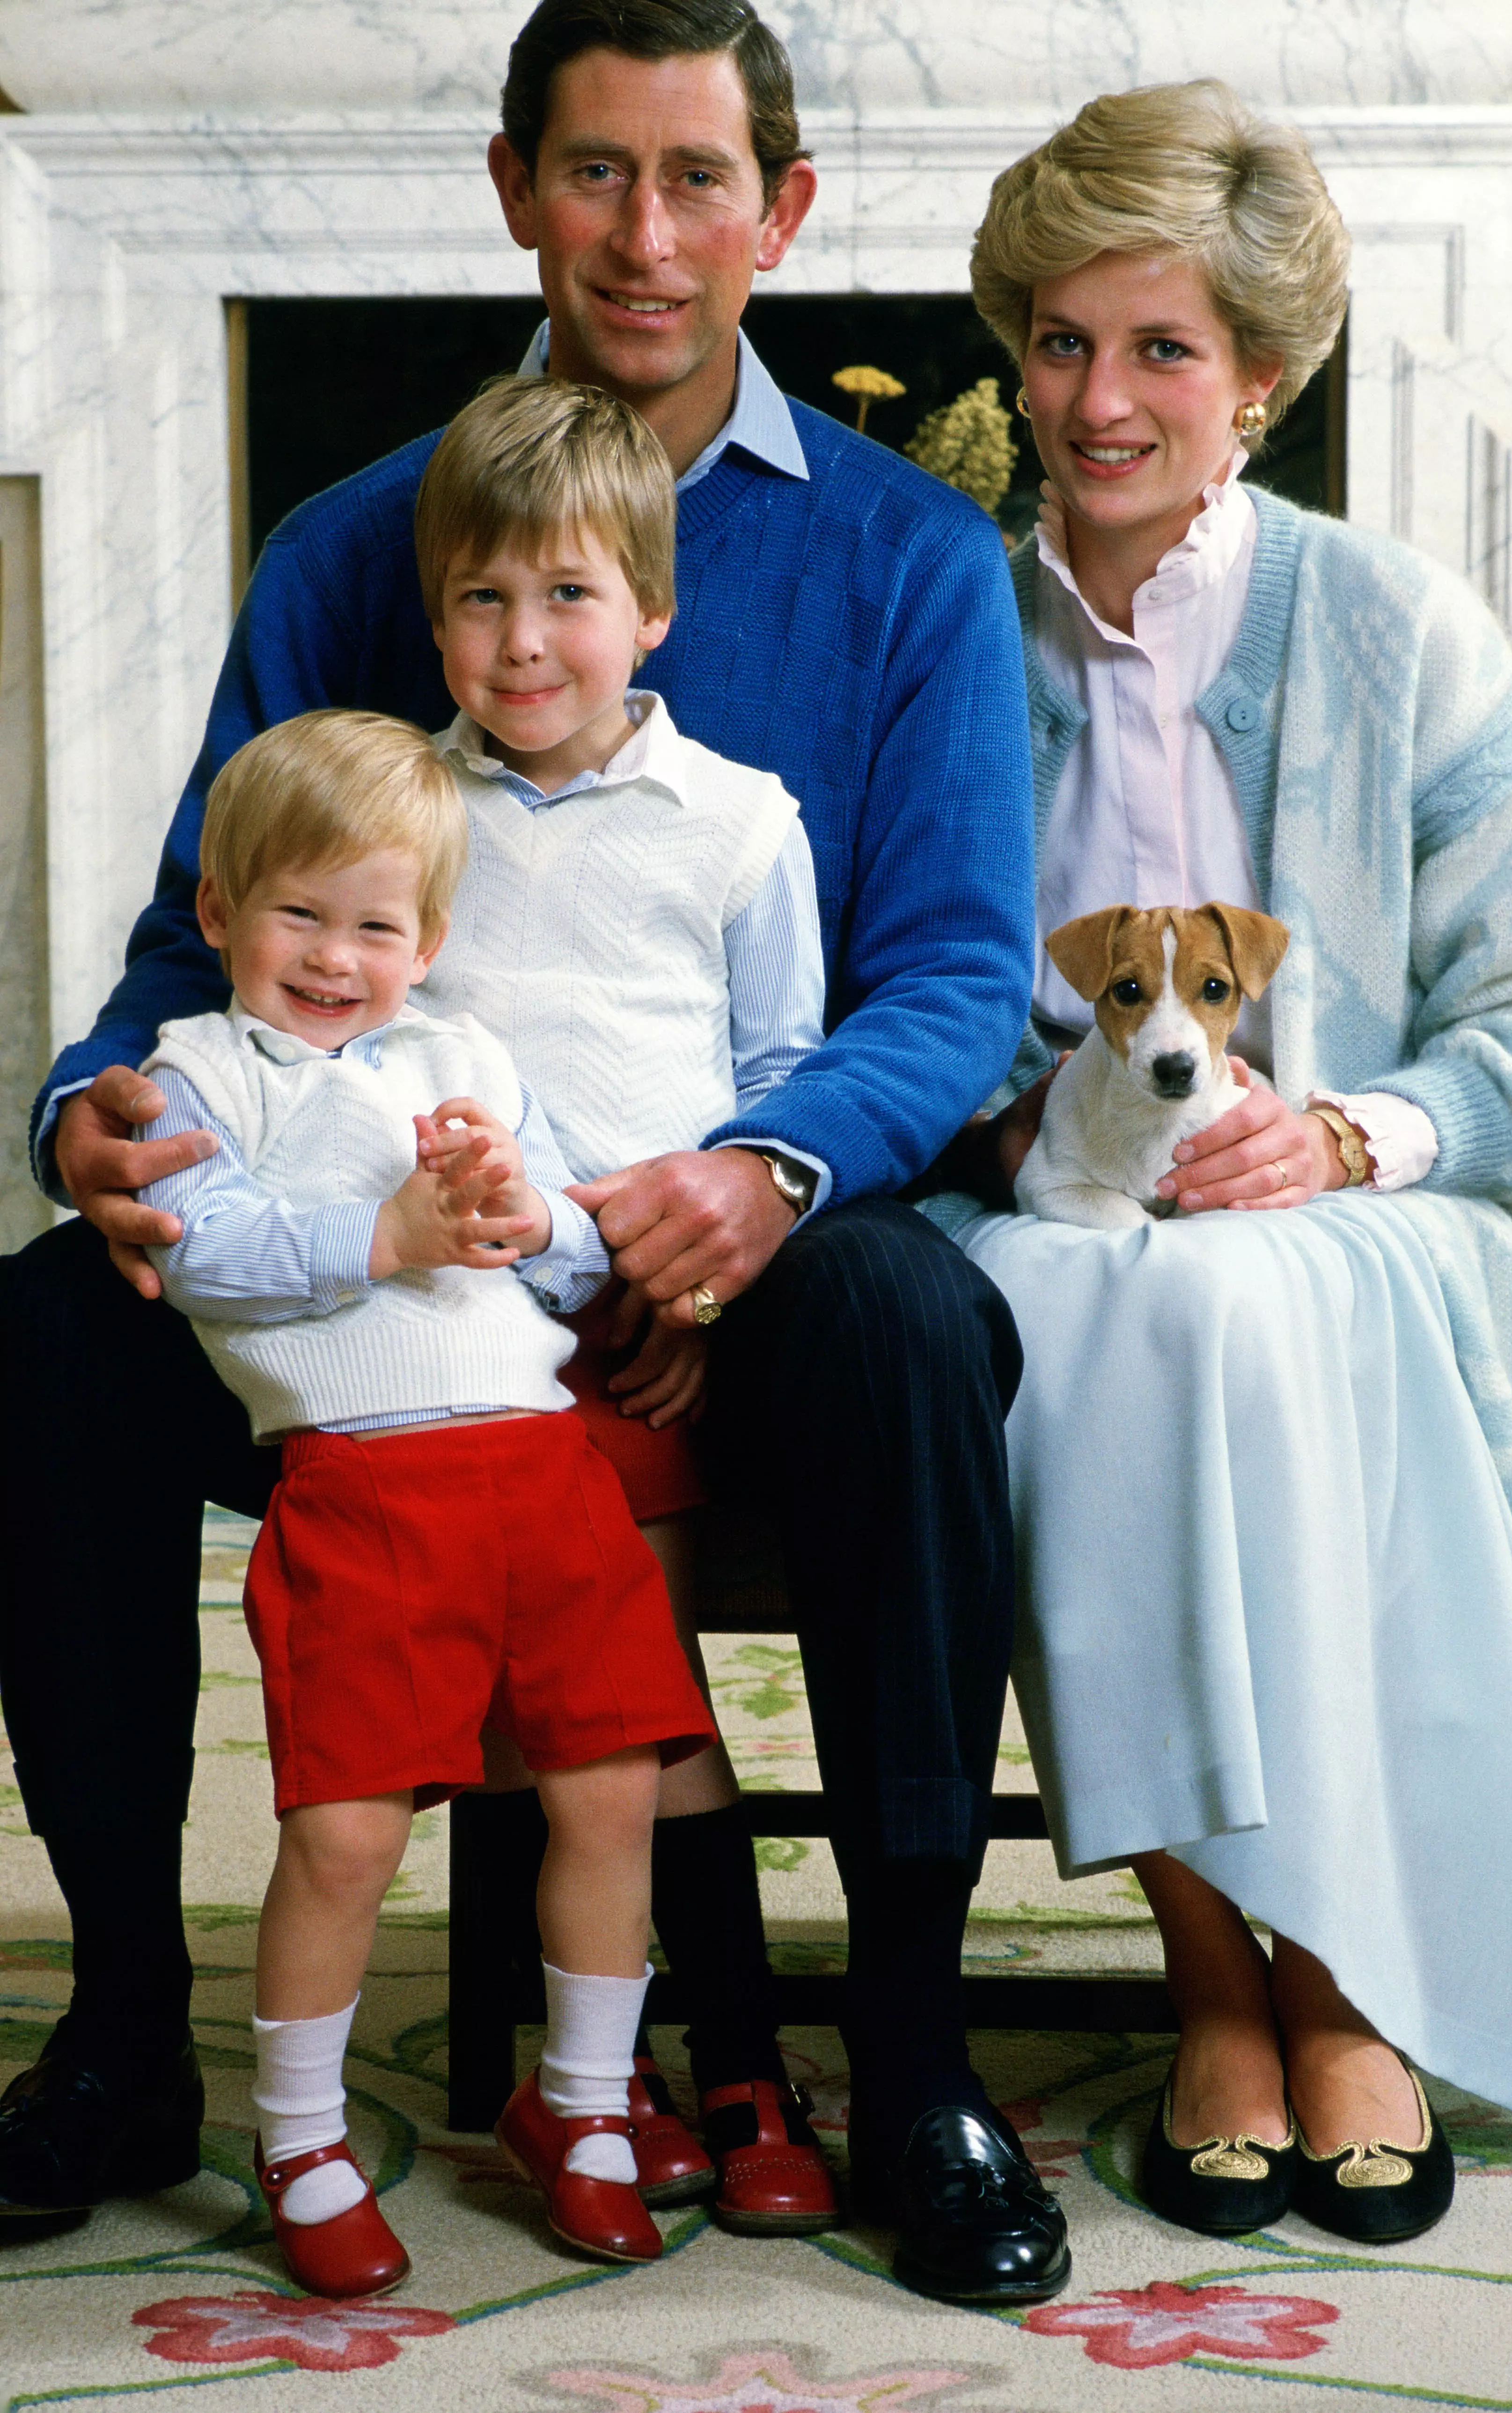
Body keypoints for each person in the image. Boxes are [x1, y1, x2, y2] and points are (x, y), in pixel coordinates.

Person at [0, 0, 1065, 2308]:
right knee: (47, 1324)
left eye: (700, 181)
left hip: (750, 1245)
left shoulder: (906, 561)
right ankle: (120, 2032)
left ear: (779, 211)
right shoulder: (366, 540)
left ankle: (910, 2049)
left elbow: (955, 978)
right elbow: (212, 916)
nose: (647, 237)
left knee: (906, 1318)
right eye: (596, 174)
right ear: (513, 189)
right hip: (397, 1261)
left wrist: (761, 1182)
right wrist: (88, 1108)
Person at [928, 77, 1512, 2246]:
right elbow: (894, 986)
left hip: (1378, 1229)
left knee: (1226, 1296)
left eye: (1160, 346)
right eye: (1061, 340)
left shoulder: (1400, 631)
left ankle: (1335, 1969)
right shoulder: (951, 631)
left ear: (1260, 375)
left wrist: (1344, 1124)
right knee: (1105, 1295)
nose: (1099, 396)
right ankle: (1211, 1972)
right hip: (1060, 1220)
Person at [139, 708, 716, 2294]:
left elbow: (580, 1257)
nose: (336, 956)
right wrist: (383, 1239)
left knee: (607, 1793)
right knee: (342, 1830)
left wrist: (529, 1213)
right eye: (297, 915)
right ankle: (303, 2132)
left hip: (540, 1470)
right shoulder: (188, 1075)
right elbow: (210, 1262)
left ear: (431, 939)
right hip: (362, 1488)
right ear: (219, 915)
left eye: (376, 925)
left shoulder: (465, 1060)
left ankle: (585, 2105)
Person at [419, 369, 834, 2233]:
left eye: (569, 593)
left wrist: (705, 1279)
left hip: (644, 1341)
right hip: (445, 1338)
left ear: (650, 609)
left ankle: (733, 2055)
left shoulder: (736, 823)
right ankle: (581, 2076)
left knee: (633, 1713)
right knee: (534, 1721)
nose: (525, 640)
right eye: (483, 597)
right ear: (437, 614)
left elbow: (782, 1076)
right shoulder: (397, 808)